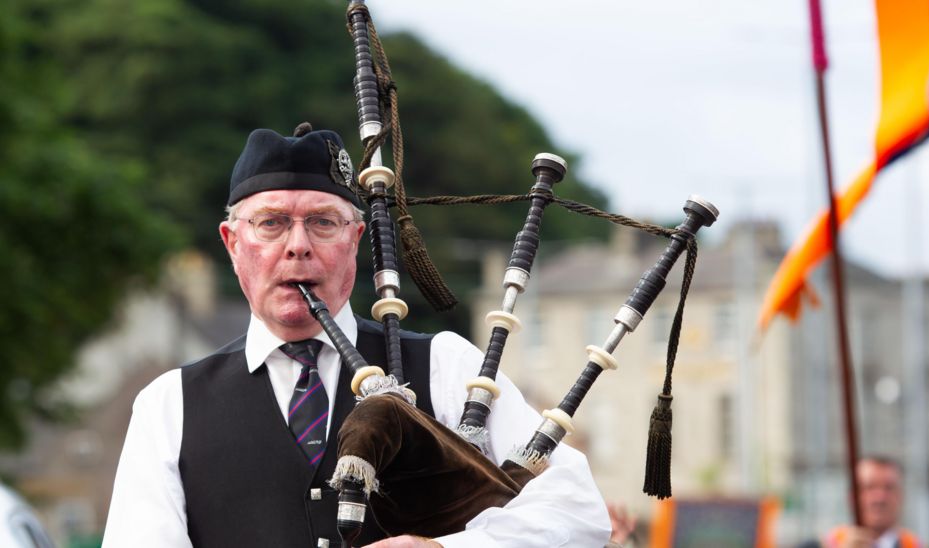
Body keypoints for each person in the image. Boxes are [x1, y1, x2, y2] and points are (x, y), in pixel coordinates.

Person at [102, 125, 611, 547]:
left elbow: (576, 508)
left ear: (356, 241)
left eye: (323, 223)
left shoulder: (445, 367)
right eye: (272, 223)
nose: (298, 246)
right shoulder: (170, 405)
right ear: (232, 244)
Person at [822, 456, 923, 548]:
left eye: (888, 488)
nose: (879, 498)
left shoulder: (915, 545)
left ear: (901, 495)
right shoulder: (823, 544)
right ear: (851, 497)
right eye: (870, 487)